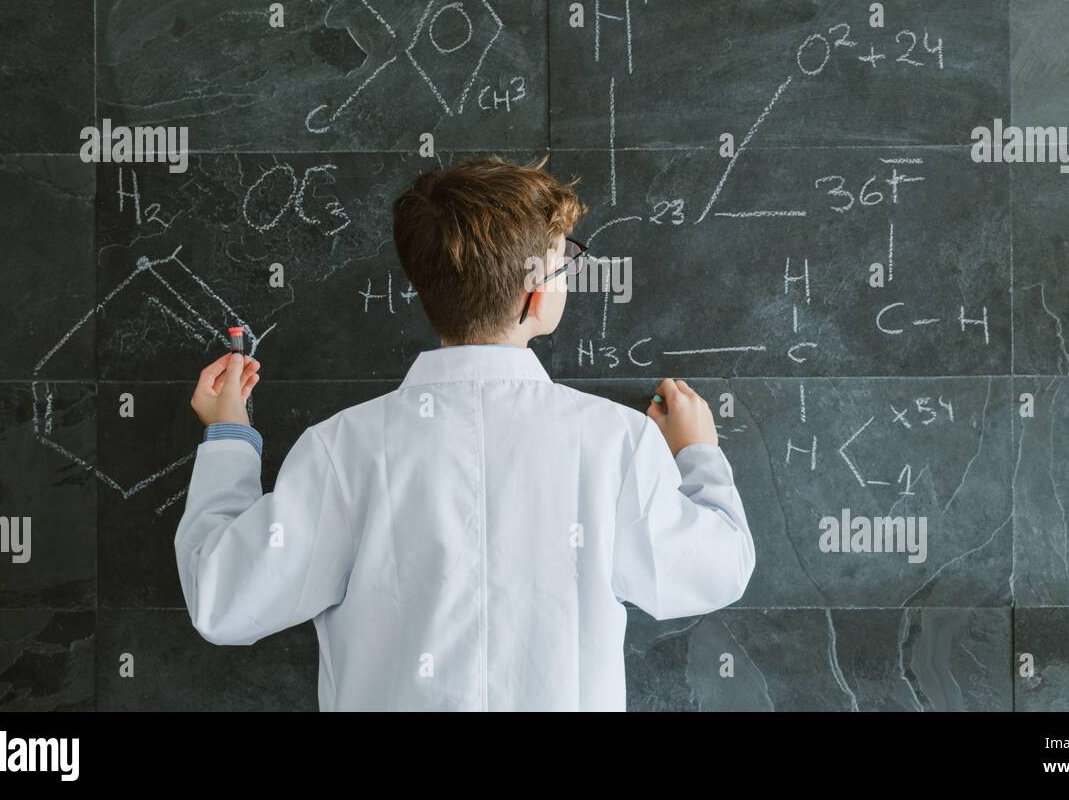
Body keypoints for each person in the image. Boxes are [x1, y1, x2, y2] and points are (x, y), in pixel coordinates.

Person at [175, 154, 756, 710]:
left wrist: (229, 435)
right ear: (535, 295)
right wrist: (697, 452)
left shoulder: (343, 449)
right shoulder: (616, 443)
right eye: (565, 259)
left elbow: (224, 600)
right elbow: (717, 570)